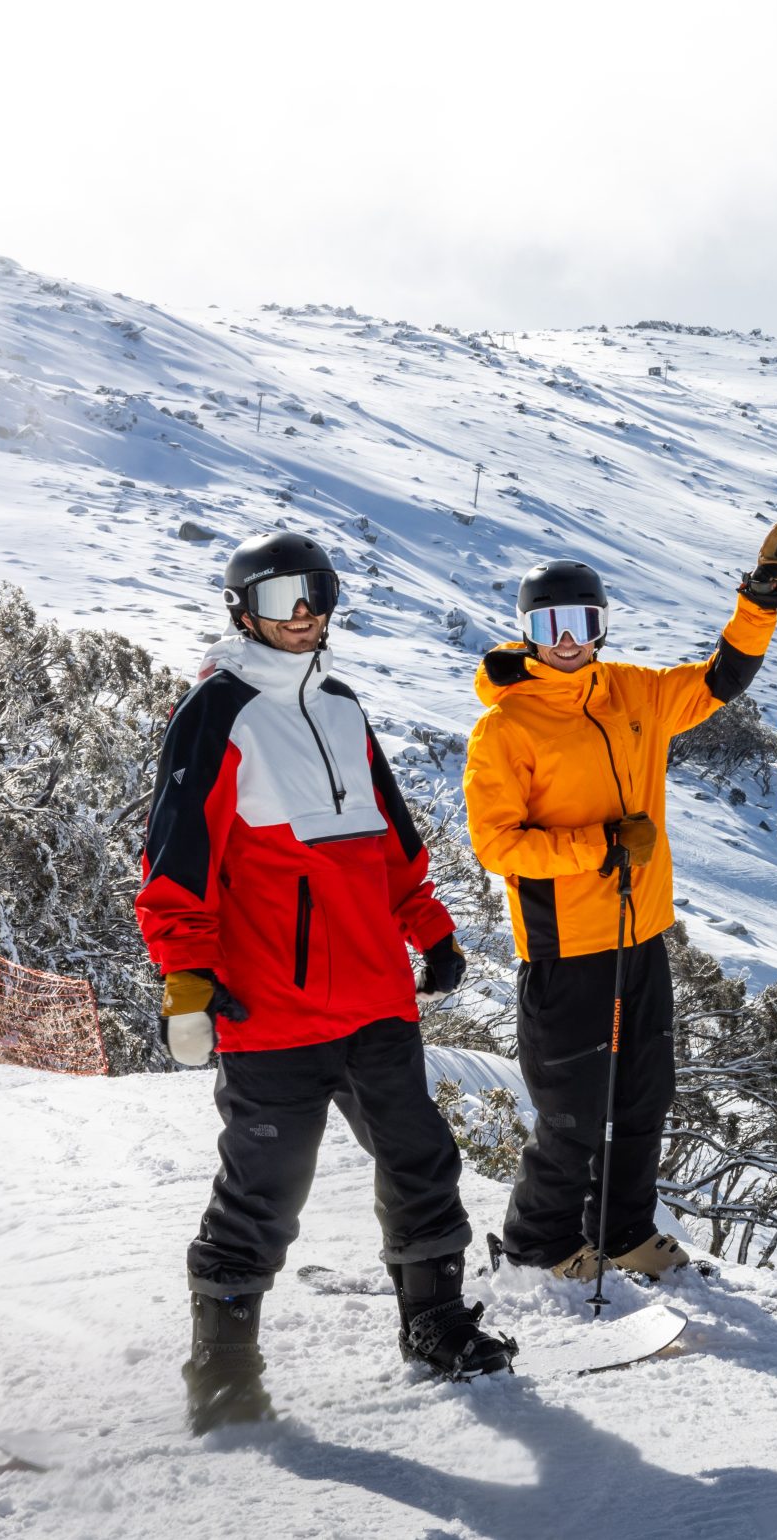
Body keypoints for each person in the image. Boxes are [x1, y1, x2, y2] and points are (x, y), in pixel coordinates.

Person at [139, 531, 515, 1431]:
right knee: (265, 1186)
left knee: (422, 1161)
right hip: (273, 1009)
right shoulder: (217, 713)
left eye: (315, 594)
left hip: (376, 999)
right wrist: (187, 985)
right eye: (278, 599)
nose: (301, 613)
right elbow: (175, 866)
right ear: (242, 613)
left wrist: (431, 930)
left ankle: (435, 1325)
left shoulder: (343, 706)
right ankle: (223, 1372)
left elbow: (391, 843)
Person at [464, 521, 777, 1282]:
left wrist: (758, 603)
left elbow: (721, 678)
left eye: (581, 623)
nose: (567, 639)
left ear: (601, 624)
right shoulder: (506, 726)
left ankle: (621, 1231)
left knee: (643, 1097)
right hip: (566, 948)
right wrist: (601, 846)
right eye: (548, 625)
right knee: (574, 1111)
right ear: (525, 632)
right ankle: (538, 1245)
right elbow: (497, 845)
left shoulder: (635, 693)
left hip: (641, 935)